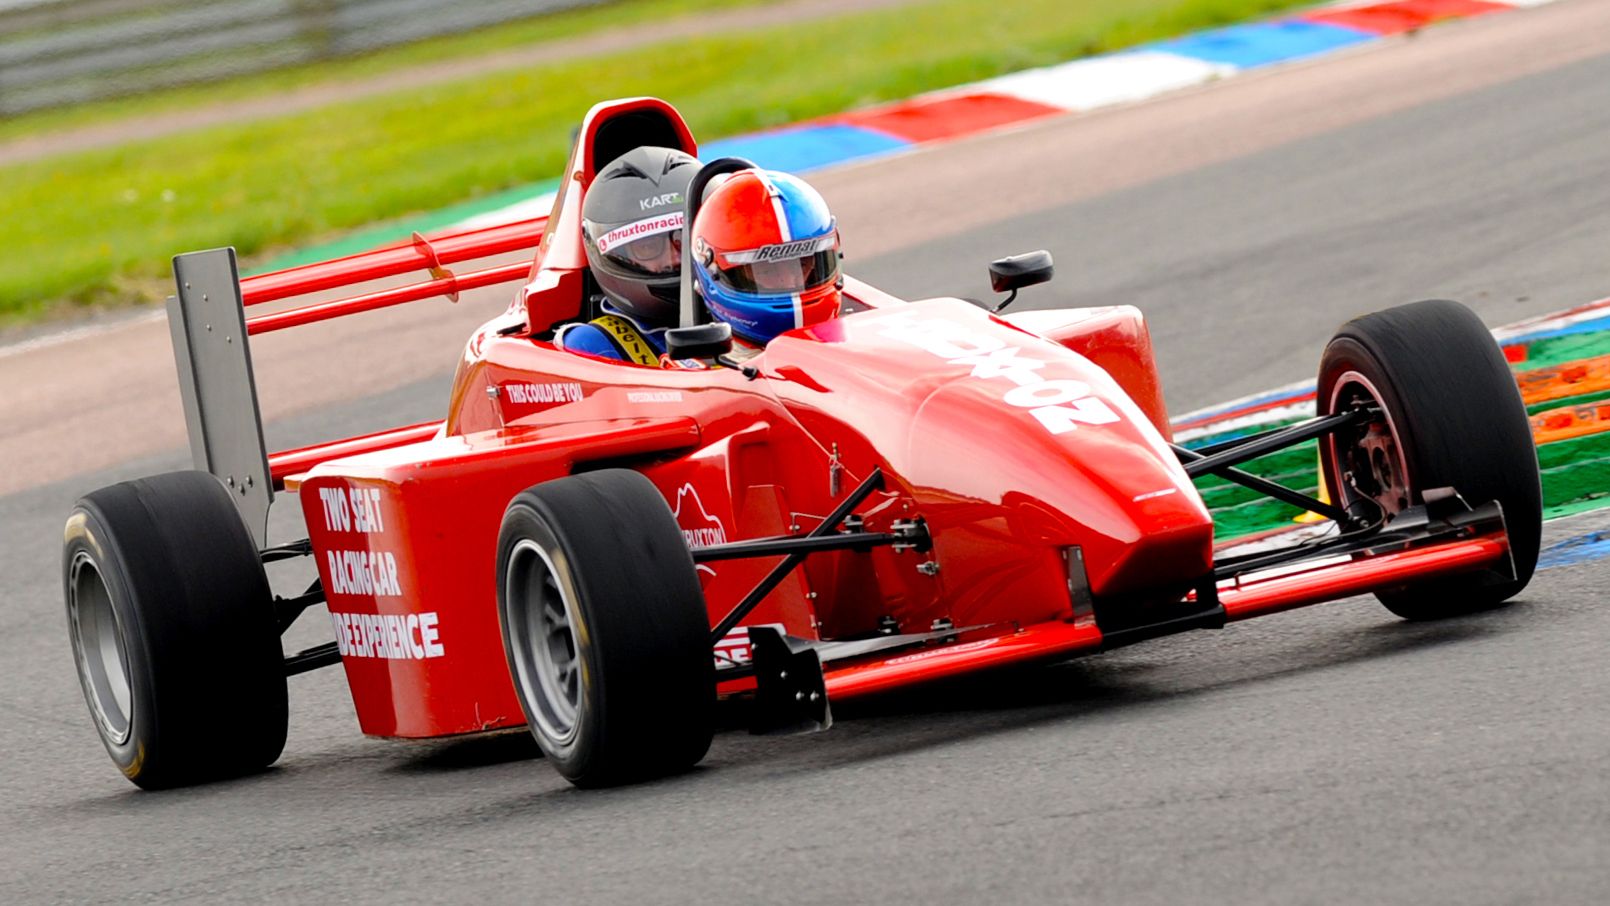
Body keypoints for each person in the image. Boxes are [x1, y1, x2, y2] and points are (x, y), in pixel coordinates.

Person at [557, 145, 700, 364]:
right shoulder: (593, 345)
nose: (675, 259)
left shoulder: (746, 304)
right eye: (648, 246)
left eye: (685, 239)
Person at [689, 168, 842, 347]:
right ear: (713, 271)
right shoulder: (691, 362)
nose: (789, 280)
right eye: (767, 270)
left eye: (801, 264)